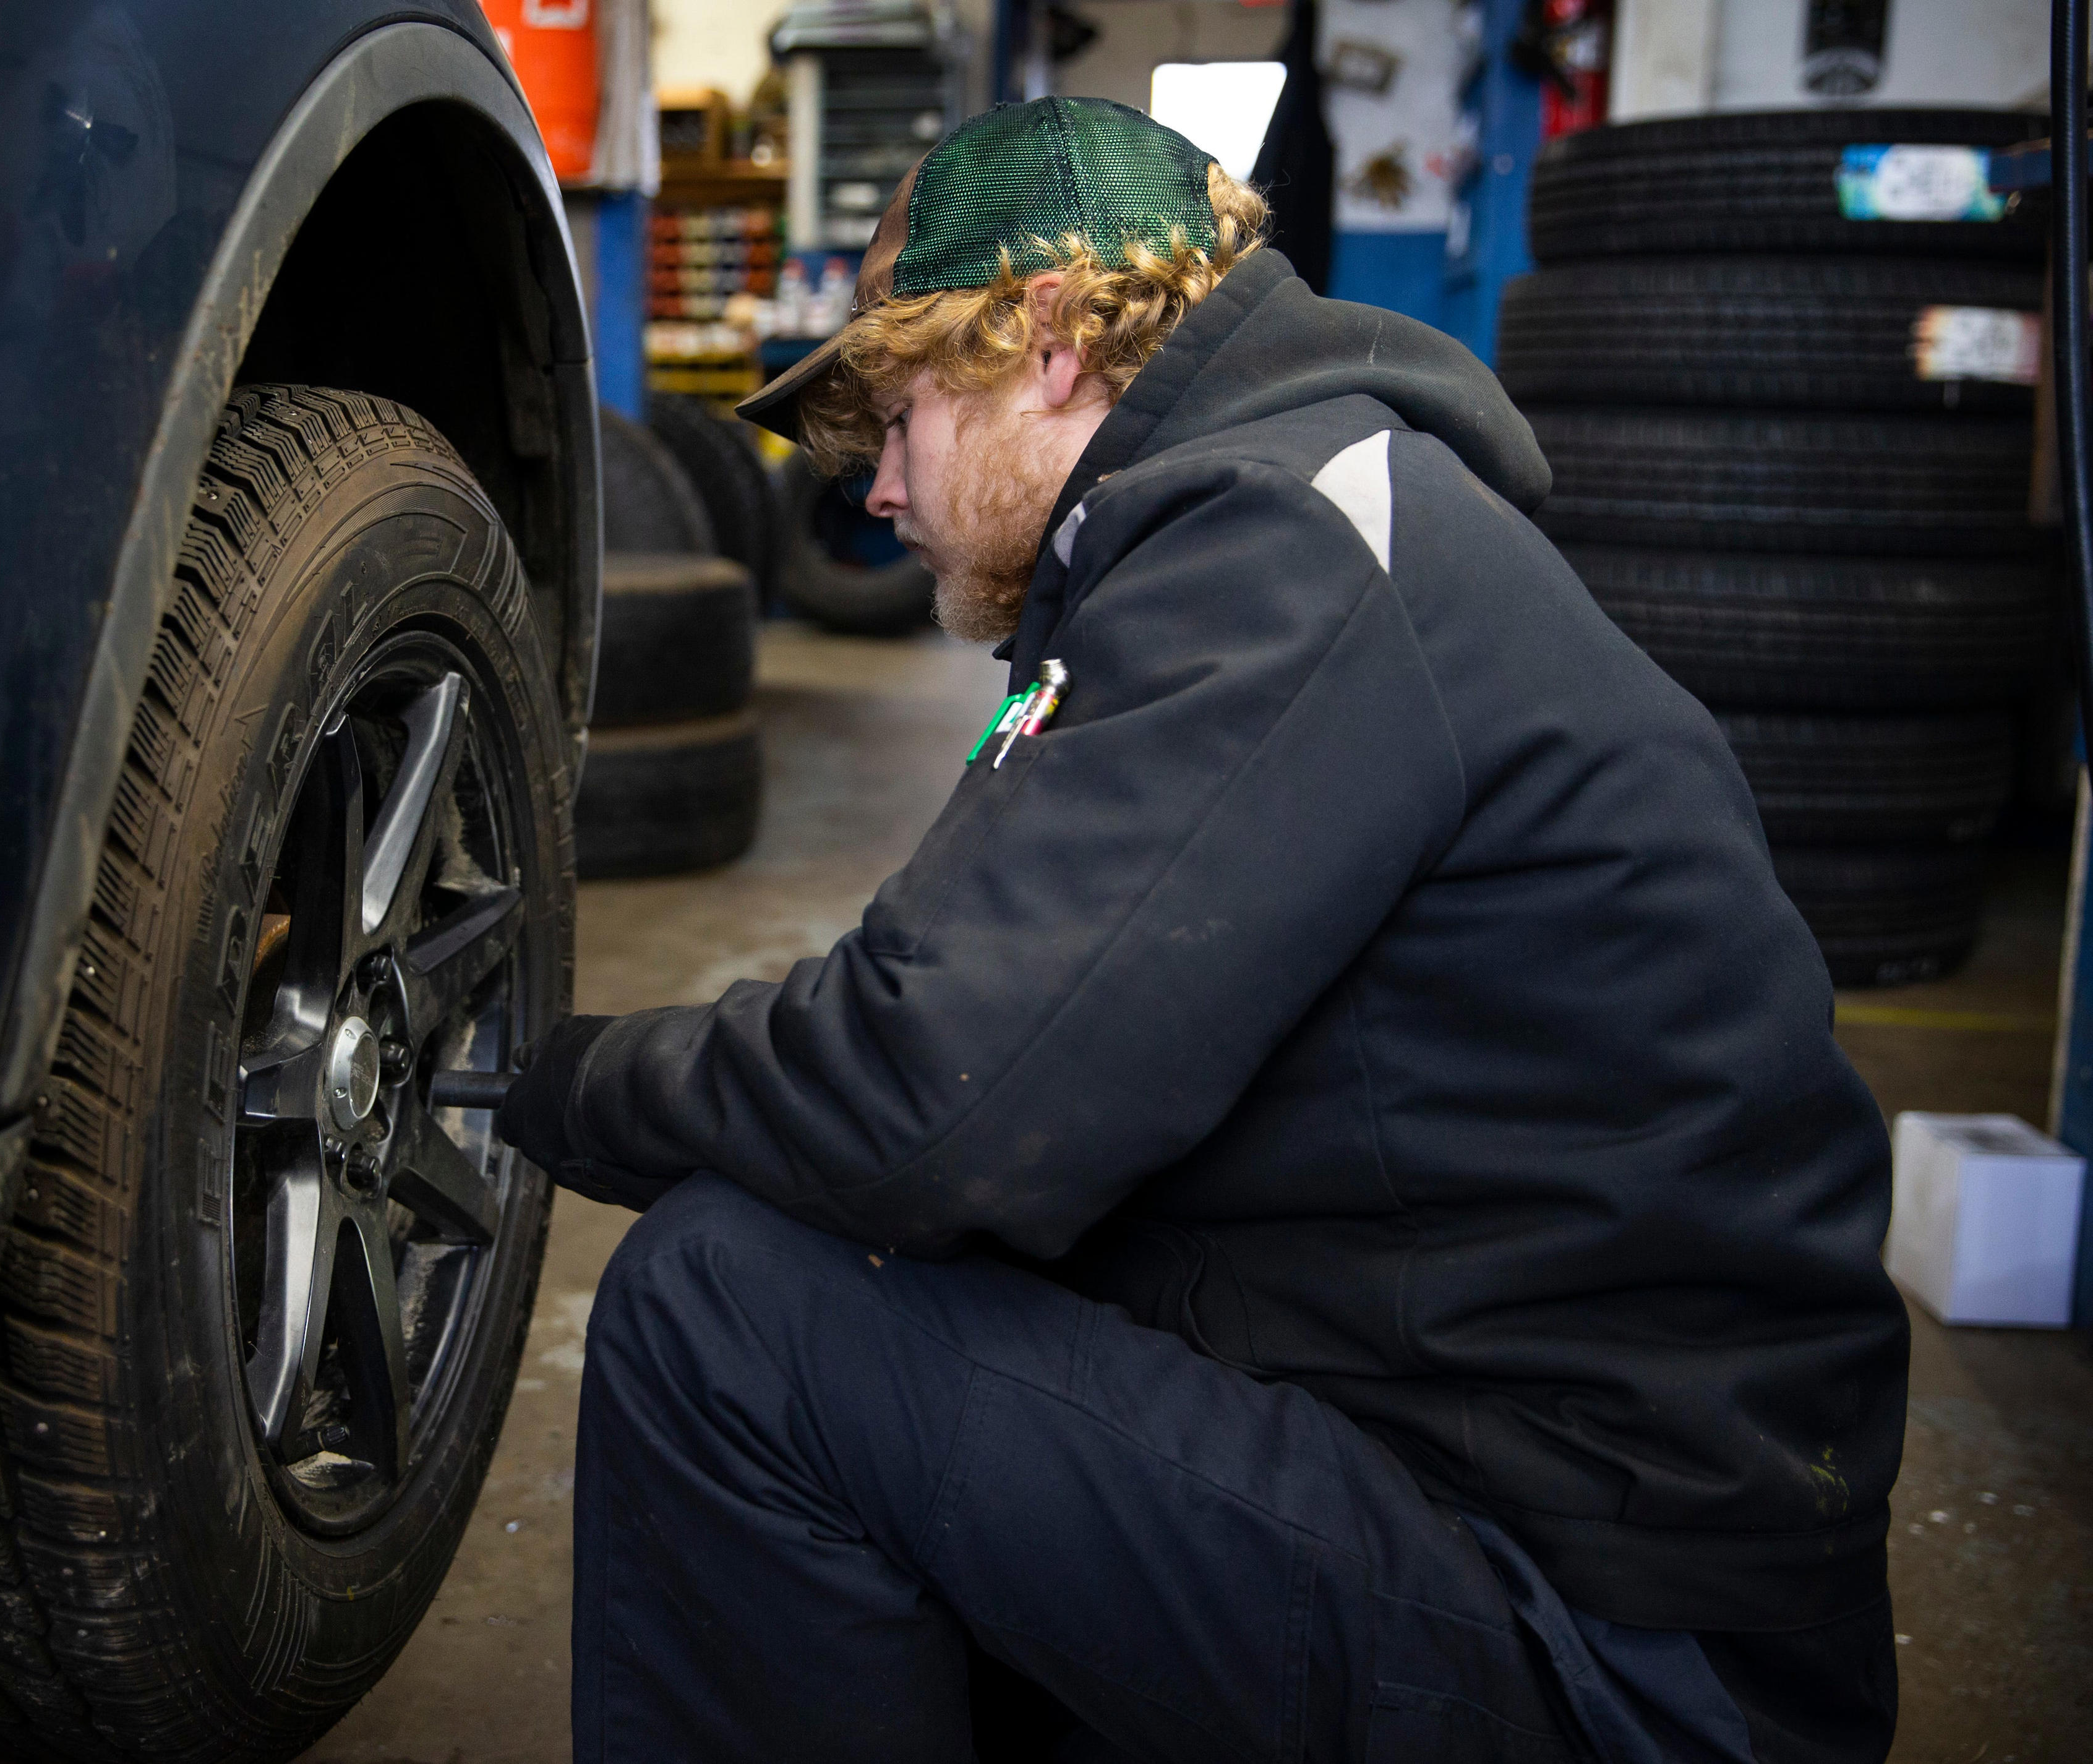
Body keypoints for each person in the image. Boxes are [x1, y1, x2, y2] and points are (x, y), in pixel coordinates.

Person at [499, 96, 1906, 1763]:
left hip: (1609, 1654)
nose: (875, 488)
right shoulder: (1292, 507)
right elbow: (1009, 1050)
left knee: (725, 1309)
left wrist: (559, 1081)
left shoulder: (1278, 540)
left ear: (1039, 344)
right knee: (947, 1293)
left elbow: (935, 1093)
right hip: (1529, 1513)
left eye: (896, 409)